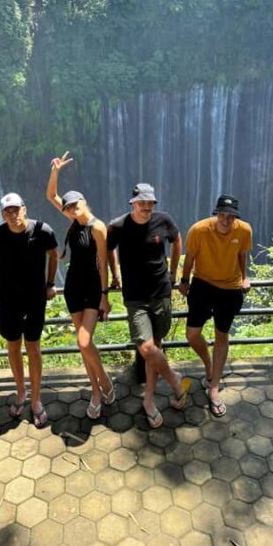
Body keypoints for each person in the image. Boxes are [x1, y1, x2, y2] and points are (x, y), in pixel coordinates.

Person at [108, 183, 190, 429]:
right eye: (141, 202)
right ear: (132, 203)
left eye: (150, 202)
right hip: (135, 298)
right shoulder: (118, 226)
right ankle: (175, 380)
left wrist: (174, 272)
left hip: (161, 292)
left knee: (156, 347)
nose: (146, 206)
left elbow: (177, 240)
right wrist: (115, 275)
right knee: (146, 347)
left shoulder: (163, 220)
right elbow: (107, 249)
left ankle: (149, 401)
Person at [46, 152, 114, 419]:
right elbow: (51, 196)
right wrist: (56, 172)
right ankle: (96, 393)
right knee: (83, 345)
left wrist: (105, 297)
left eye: (76, 205)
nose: (73, 209)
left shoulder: (98, 228)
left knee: (85, 342)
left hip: (92, 289)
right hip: (73, 288)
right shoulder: (74, 221)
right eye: (70, 206)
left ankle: (106, 383)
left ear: (85, 203)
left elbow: (104, 262)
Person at [0, 192, 58, 428]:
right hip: (8, 300)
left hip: (35, 299)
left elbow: (54, 255)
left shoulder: (42, 231)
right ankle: (21, 392)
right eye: (8, 211)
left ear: (24, 209)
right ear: (2, 214)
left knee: (34, 347)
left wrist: (50, 284)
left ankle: (36, 399)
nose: (13, 214)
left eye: (16, 209)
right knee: (13, 345)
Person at [179, 194, 252, 418]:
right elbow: (189, 258)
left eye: (231, 216)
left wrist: (244, 278)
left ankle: (213, 388)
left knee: (222, 335)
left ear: (235, 217)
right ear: (216, 213)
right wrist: (184, 281)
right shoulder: (198, 230)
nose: (226, 220)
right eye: (222, 214)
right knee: (192, 334)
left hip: (230, 289)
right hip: (202, 284)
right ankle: (209, 366)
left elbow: (242, 255)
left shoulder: (244, 231)